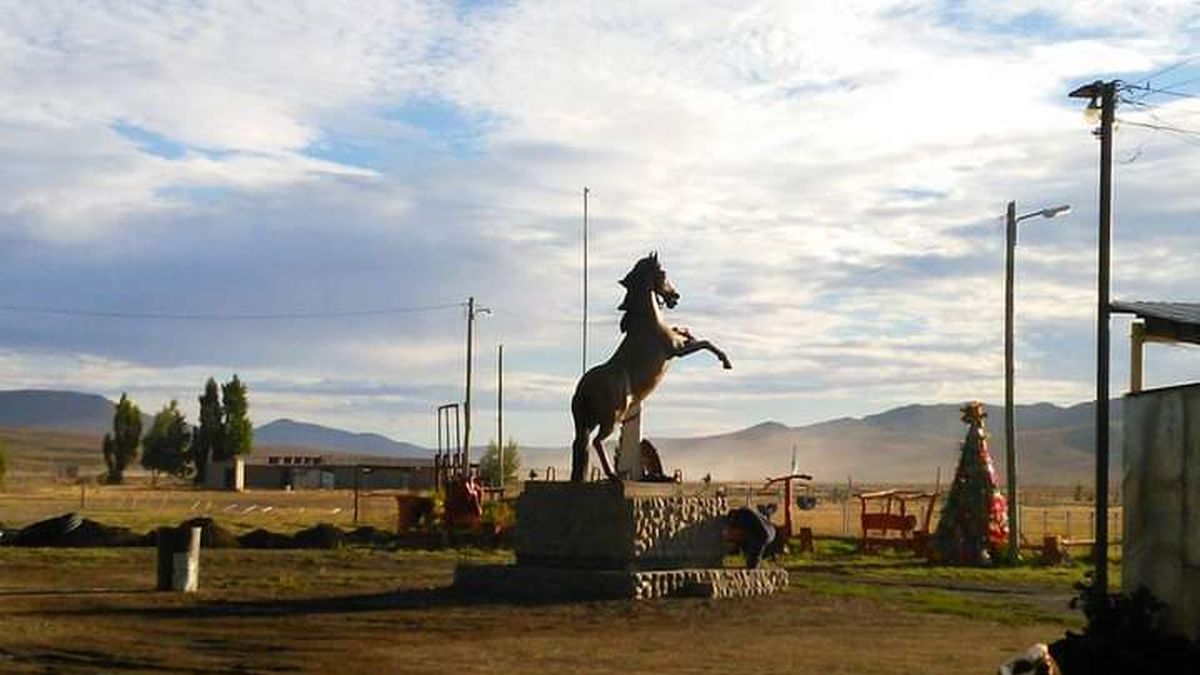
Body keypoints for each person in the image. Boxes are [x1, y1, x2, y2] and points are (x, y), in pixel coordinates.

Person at [725, 504, 778, 569]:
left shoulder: (744, 519)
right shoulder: (745, 518)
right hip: (768, 532)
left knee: (754, 553)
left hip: (766, 533)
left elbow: (756, 554)